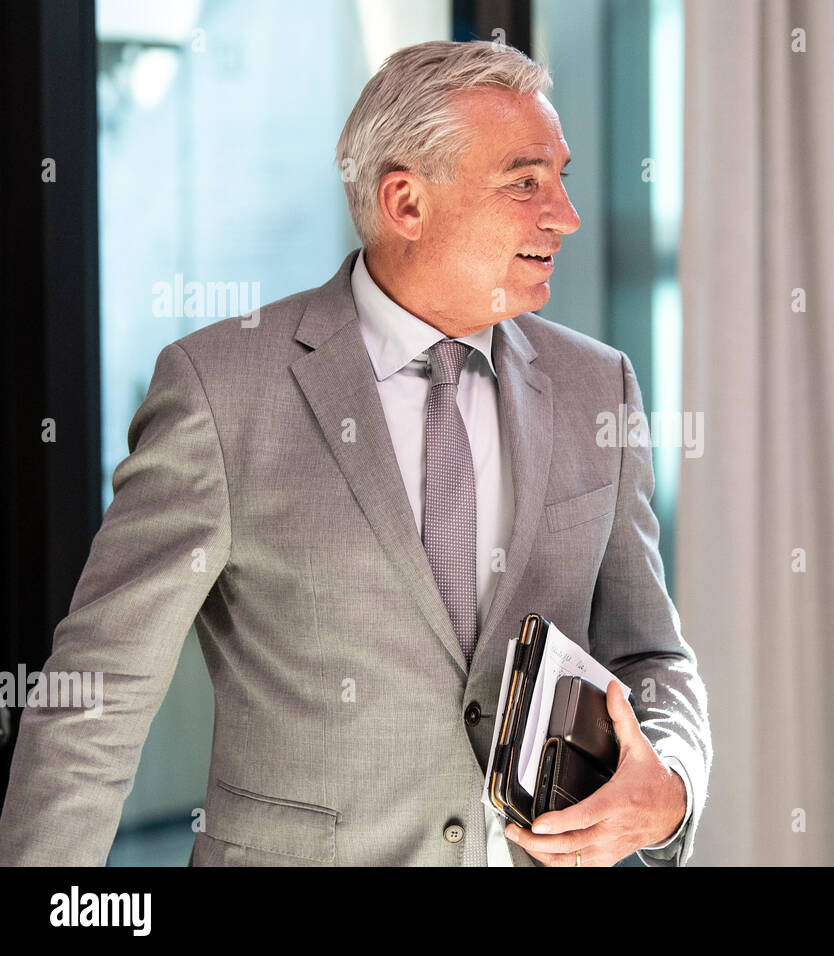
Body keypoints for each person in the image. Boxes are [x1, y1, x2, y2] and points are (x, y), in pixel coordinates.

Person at [0, 40, 710, 867]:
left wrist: (674, 786)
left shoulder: (599, 386)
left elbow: (649, 652)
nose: (565, 213)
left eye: (562, 176)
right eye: (525, 181)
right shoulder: (222, 388)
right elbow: (99, 696)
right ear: (406, 203)